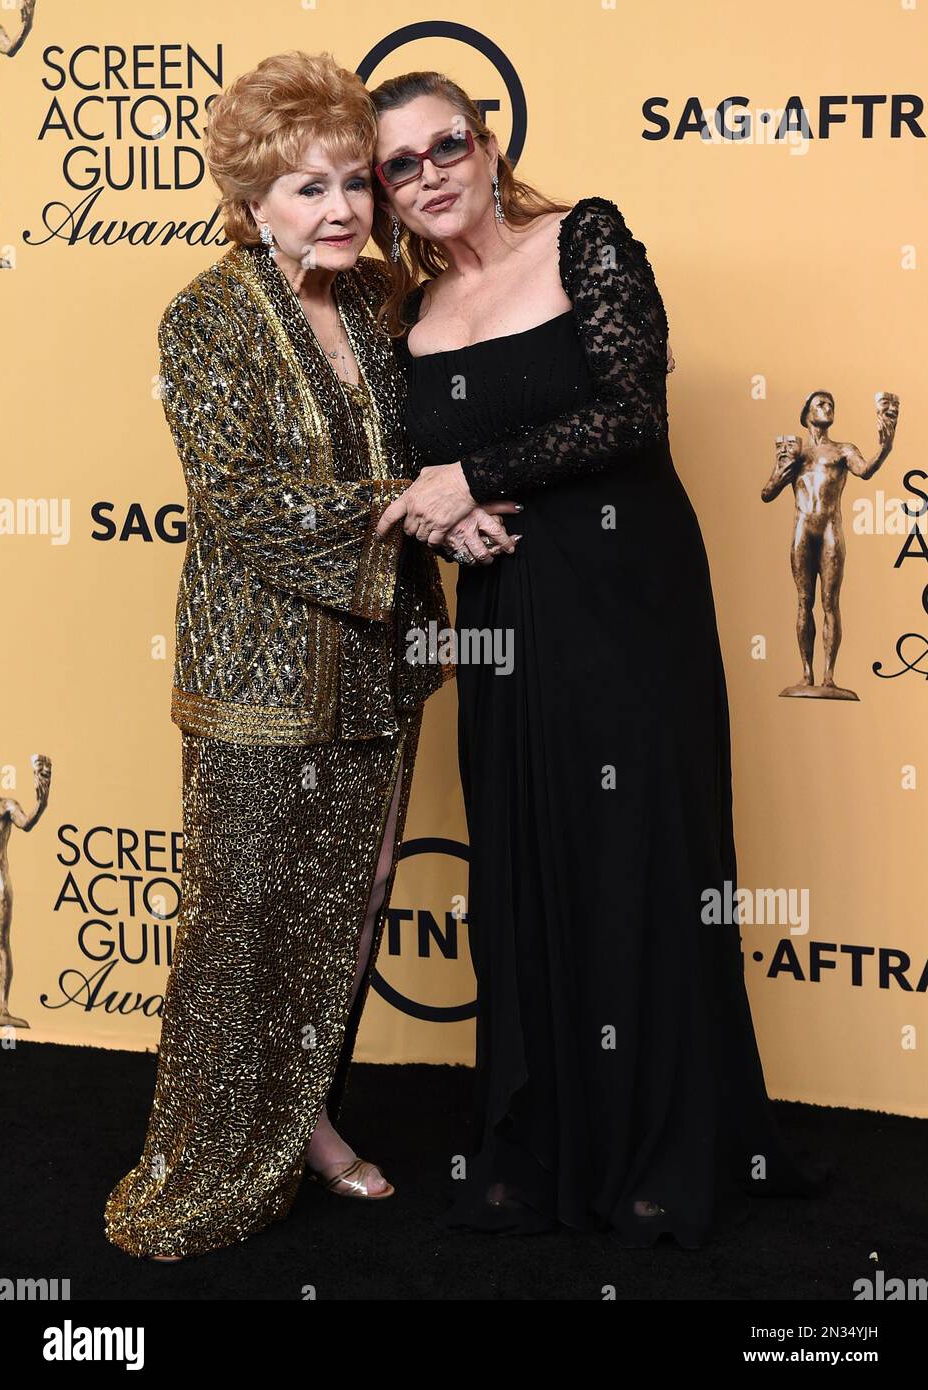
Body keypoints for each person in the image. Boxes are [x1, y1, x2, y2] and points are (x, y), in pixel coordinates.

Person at [370, 70, 831, 1248]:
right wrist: (440, 514)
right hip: (503, 611)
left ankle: (661, 1150)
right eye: (399, 165)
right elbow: (394, 479)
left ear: (485, 145)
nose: (429, 175)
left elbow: (630, 410)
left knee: (638, 850)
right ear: (380, 191)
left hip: (625, 597)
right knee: (527, 854)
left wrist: (468, 477)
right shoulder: (403, 317)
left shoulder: (585, 238)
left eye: (445, 146)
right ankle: (540, 1140)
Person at [103, 52, 514, 1263]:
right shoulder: (205, 317)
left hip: (385, 666)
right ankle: (203, 1158)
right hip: (258, 677)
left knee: (352, 904)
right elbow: (242, 498)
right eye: (303, 190)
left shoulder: (387, 301)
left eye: (351, 182)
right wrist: (412, 509)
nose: (338, 209)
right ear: (249, 202)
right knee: (242, 925)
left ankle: (308, 1120)